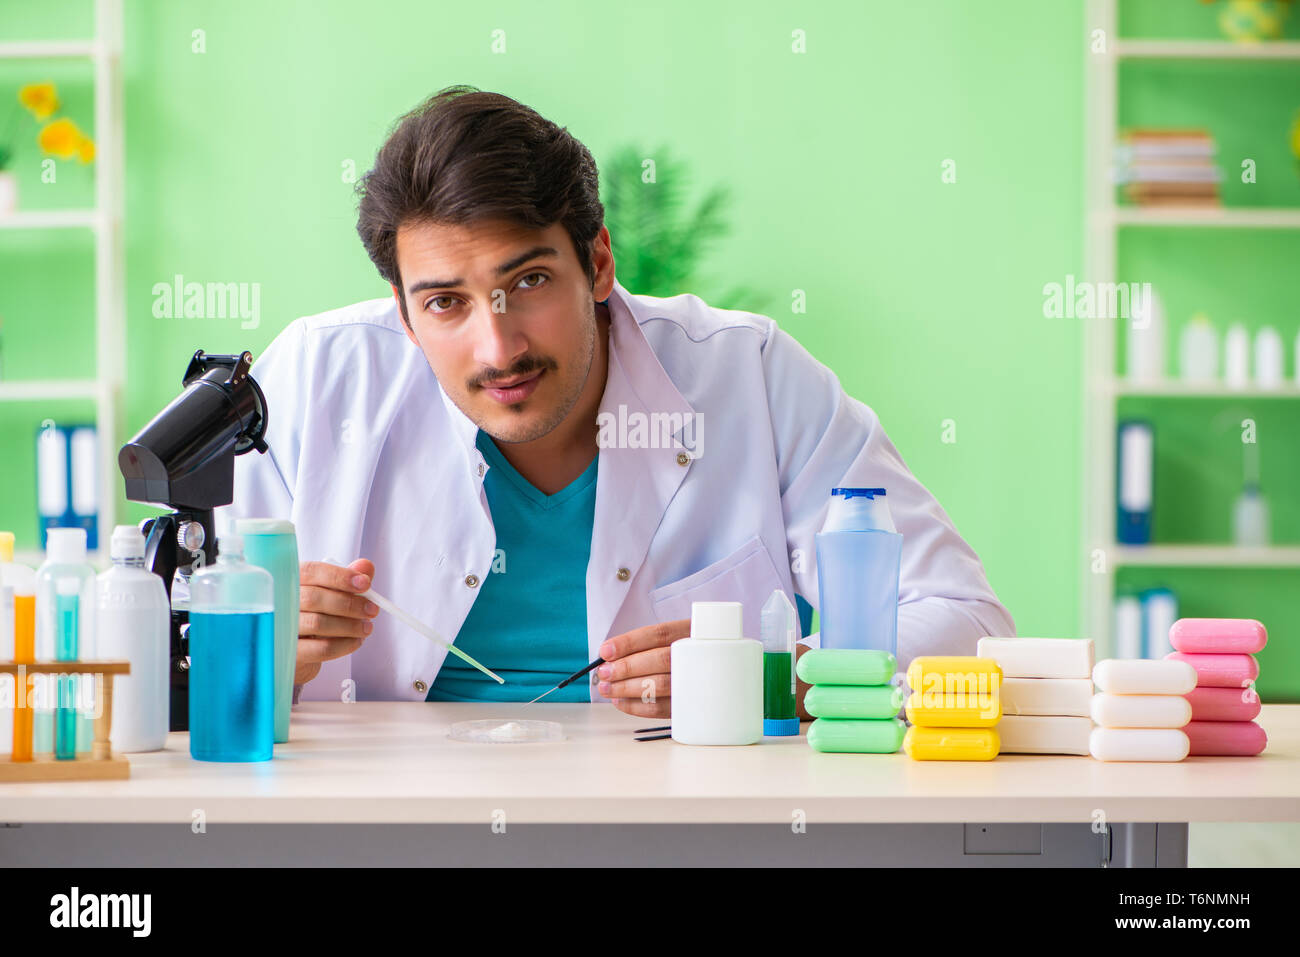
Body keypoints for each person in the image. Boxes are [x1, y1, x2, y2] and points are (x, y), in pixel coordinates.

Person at [219, 85, 1014, 720]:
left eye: (526, 282)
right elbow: (181, 650)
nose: (498, 349)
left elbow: (967, 621)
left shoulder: (750, 375)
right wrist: (250, 647)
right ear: (402, 312)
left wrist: (775, 675)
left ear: (597, 262)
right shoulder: (315, 382)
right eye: (445, 304)